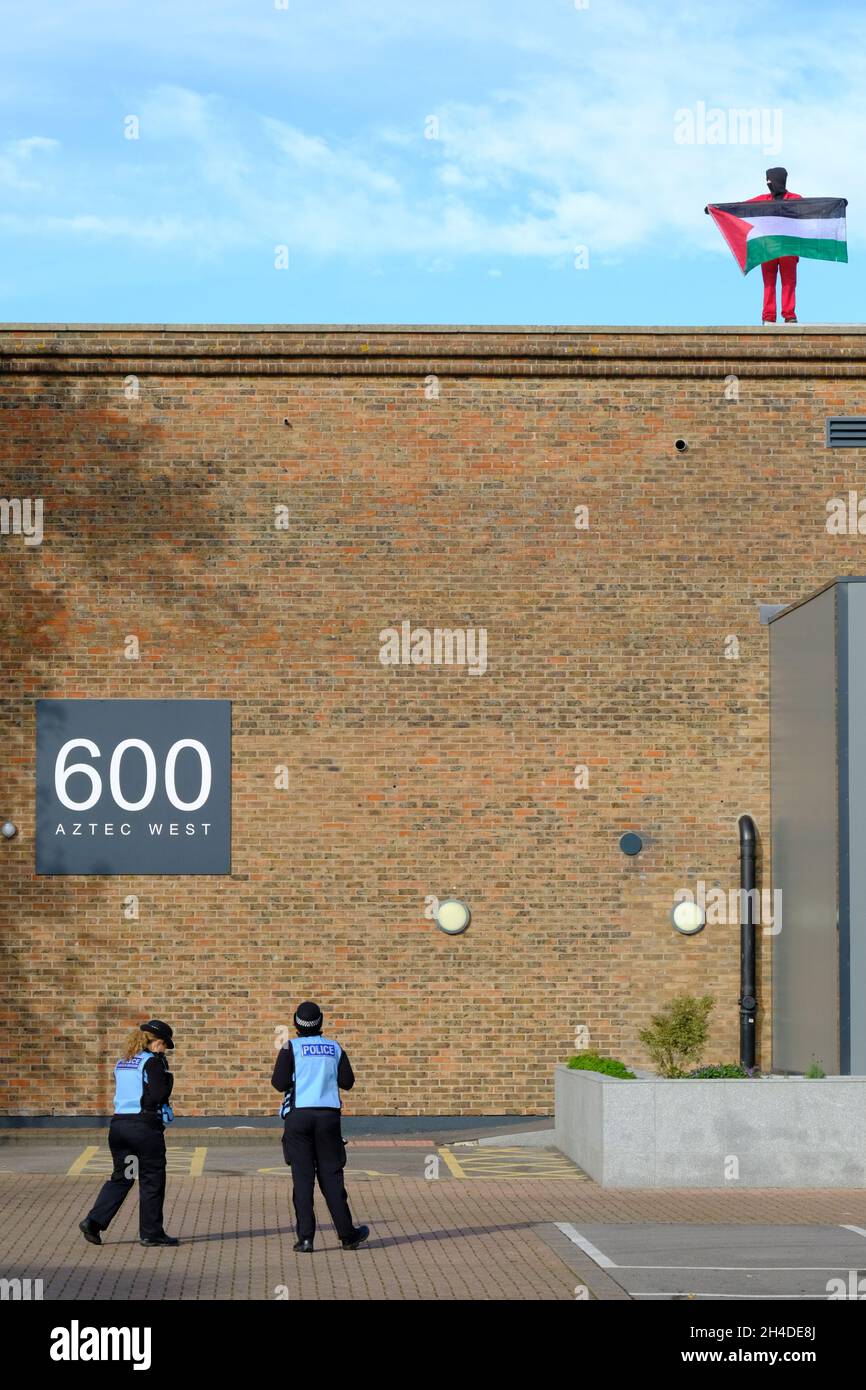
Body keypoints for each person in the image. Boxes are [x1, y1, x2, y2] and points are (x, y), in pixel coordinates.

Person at [271, 1001, 369, 1253]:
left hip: (299, 1117)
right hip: (328, 1117)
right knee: (332, 1179)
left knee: (303, 1180)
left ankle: (305, 1239)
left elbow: (279, 1083)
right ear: (321, 1022)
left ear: (295, 1023)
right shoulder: (334, 1047)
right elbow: (348, 1082)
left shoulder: (290, 1047)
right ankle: (348, 1236)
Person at [79, 1019, 179, 1248]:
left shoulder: (123, 1062)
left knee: (123, 1177)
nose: (164, 1050)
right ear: (156, 1043)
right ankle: (151, 1233)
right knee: (151, 1179)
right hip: (144, 1129)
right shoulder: (152, 1062)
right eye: (164, 1045)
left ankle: (94, 1222)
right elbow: (158, 1095)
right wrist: (168, 1077)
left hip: (119, 1127)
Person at [750, 166, 802, 324]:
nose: (767, 182)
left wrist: (836, 206)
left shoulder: (796, 199)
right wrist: (715, 210)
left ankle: (789, 315)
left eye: (769, 179)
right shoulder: (761, 200)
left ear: (777, 180)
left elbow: (813, 210)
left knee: (788, 283)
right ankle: (769, 317)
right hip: (768, 249)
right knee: (769, 283)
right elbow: (739, 207)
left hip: (788, 248)